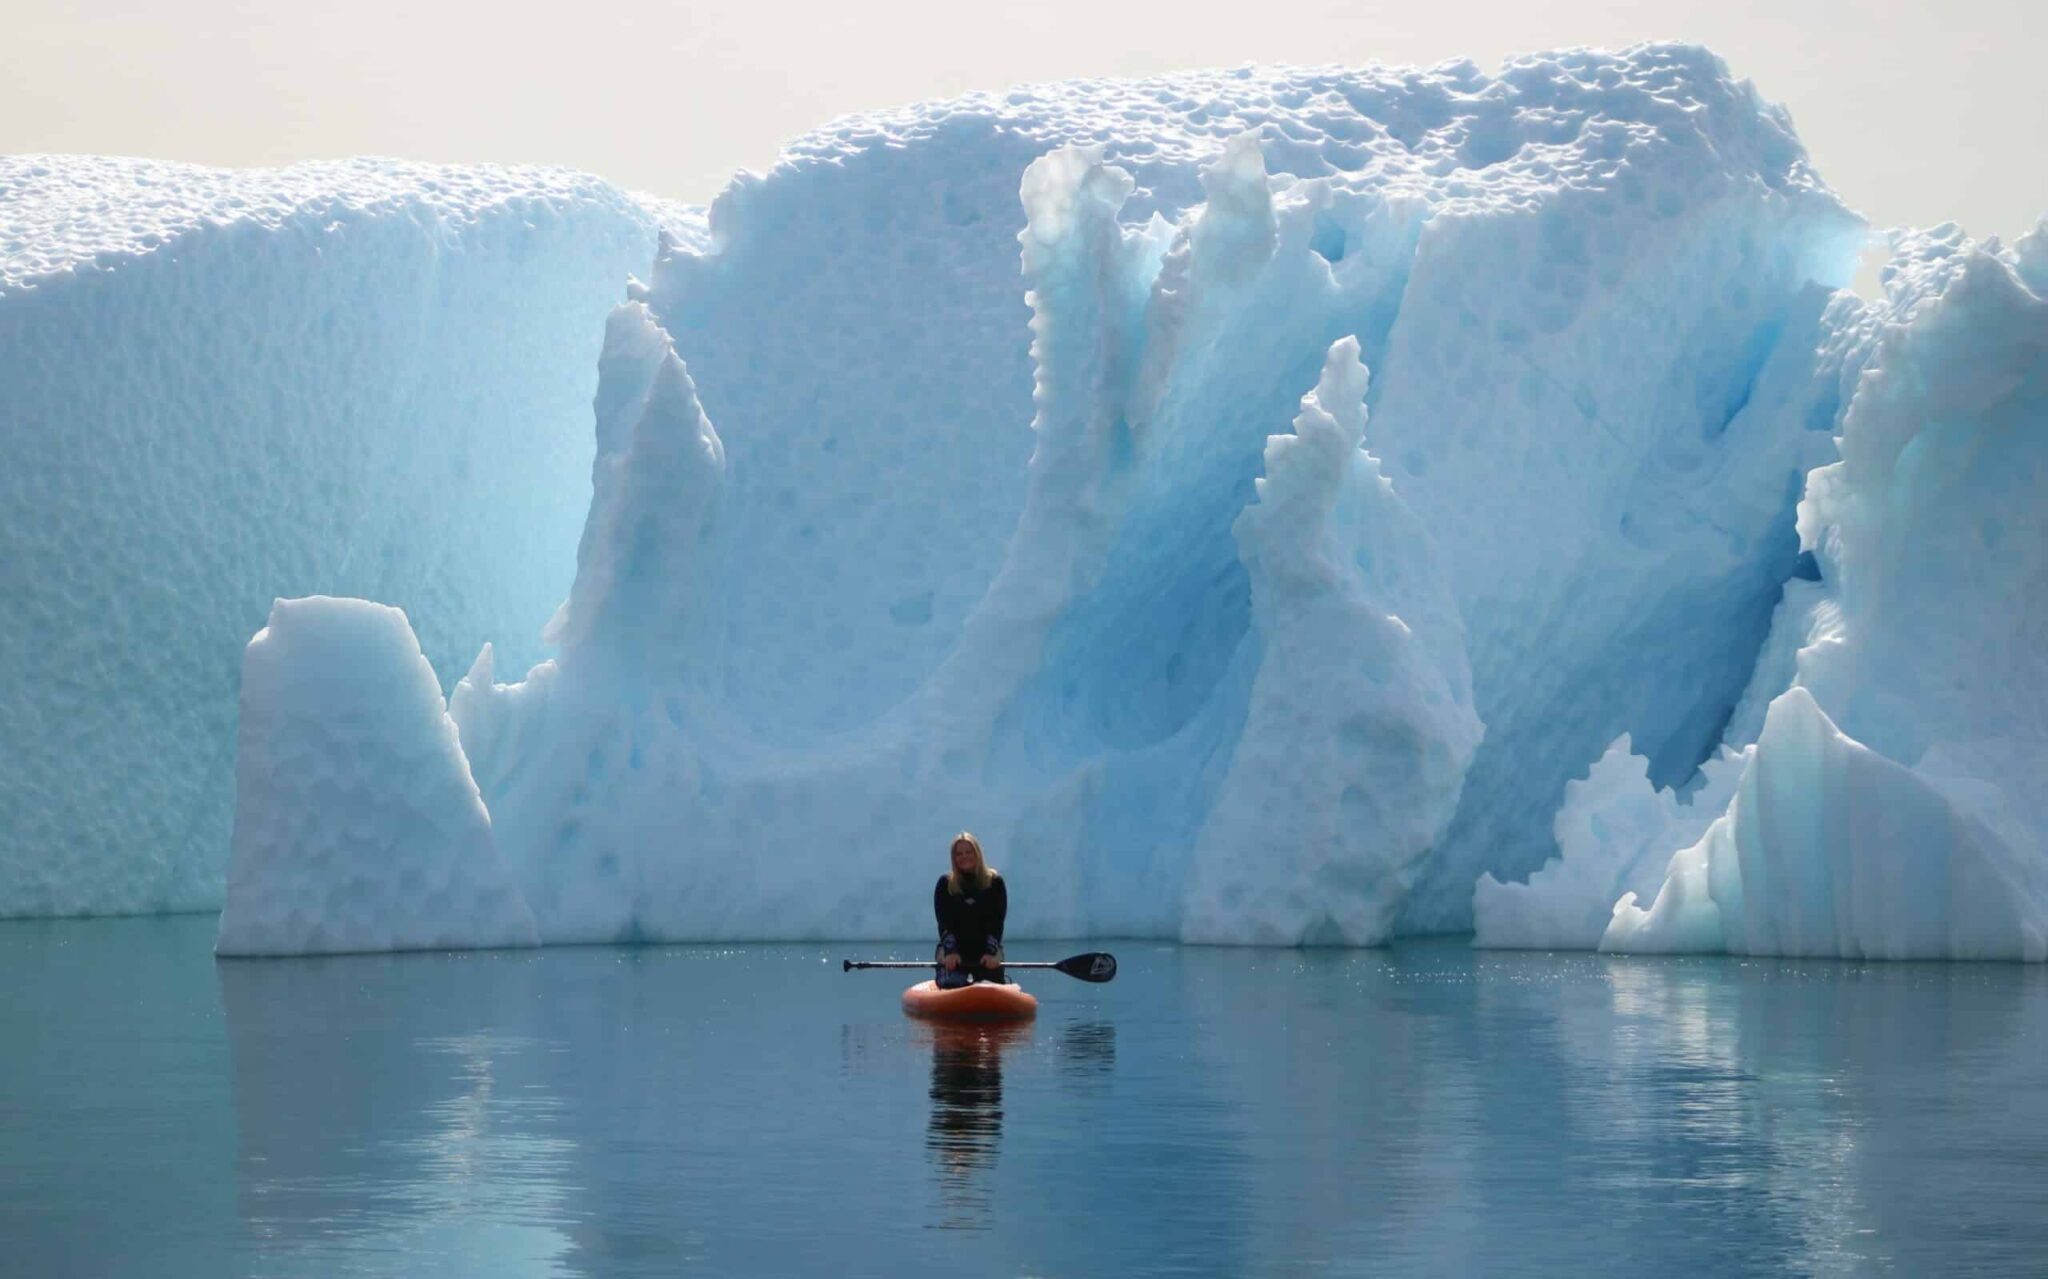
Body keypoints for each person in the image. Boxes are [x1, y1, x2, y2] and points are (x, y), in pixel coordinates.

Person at [934, 832, 1007, 989]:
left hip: (986, 949)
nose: (964, 856)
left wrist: (991, 952)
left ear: (977, 854)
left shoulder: (995, 883)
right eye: (959, 853)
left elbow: (997, 921)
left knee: (991, 983)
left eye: (968, 852)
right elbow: (944, 922)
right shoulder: (945, 884)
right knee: (952, 983)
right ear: (953, 858)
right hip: (953, 951)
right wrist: (951, 951)